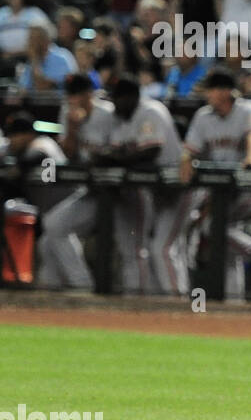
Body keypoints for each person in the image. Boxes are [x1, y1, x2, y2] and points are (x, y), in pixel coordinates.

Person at [179, 67, 251, 301]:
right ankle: (234, 300)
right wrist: (186, 161)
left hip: (247, 186)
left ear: (224, 91)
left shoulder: (248, 108)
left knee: (211, 227)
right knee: (223, 245)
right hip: (219, 189)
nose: (207, 95)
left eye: (210, 90)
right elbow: (190, 149)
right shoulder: (203, 115)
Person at [98, 76, 184, 295]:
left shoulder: (150, 111)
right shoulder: (123, 118)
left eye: (118, 98)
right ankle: (152, 302)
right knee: (154, 249)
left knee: (161, 249)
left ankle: (179, 305)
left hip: (179, 189)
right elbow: (114, 151)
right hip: (156, 192)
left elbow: (150, 151)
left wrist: (116, 159)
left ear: (131, 97)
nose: (114, 103)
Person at [37, 74, 116, 290]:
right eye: (69, 94)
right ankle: (50, 299)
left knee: (54, 227)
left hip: (114, 193)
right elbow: (68, 154)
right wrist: (73, 128)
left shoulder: (108, 113)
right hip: (89, 191)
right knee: (47, 241)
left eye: (76, 95)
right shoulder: (67, 112)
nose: (71, 99)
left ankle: (82, 287)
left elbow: (117, 151)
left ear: (89, 94)